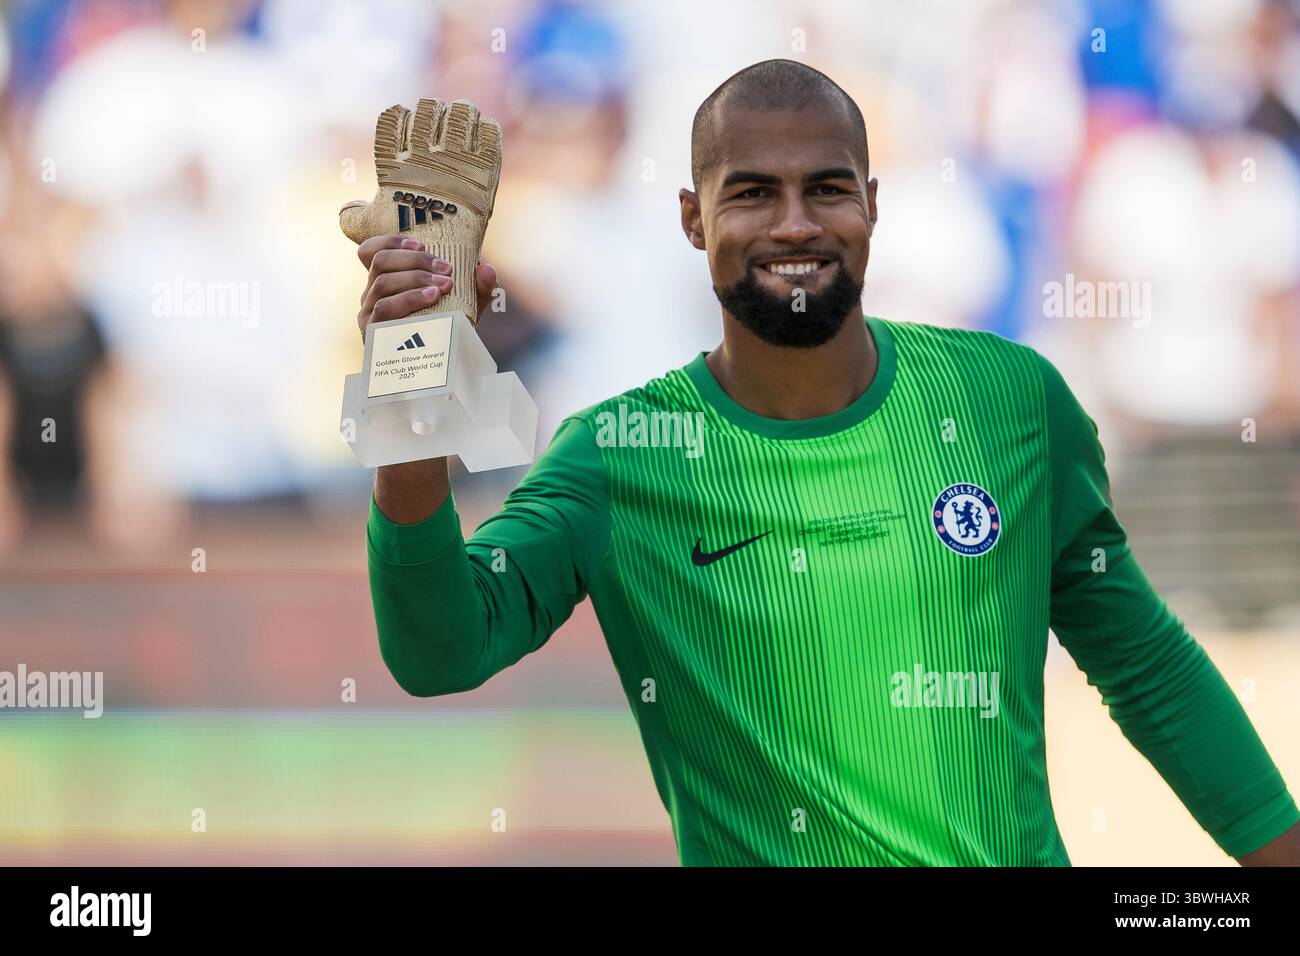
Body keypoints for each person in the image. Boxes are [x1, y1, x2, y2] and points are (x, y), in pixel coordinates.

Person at [355, 59, 1300, 866]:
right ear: (694, 217)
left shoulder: (1011, 401)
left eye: (829, 188)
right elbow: (439, 652)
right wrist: (414, 384)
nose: (796, 224)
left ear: (873, 206)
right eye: (753, 191)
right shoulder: (616, 456)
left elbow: (1149, 668)